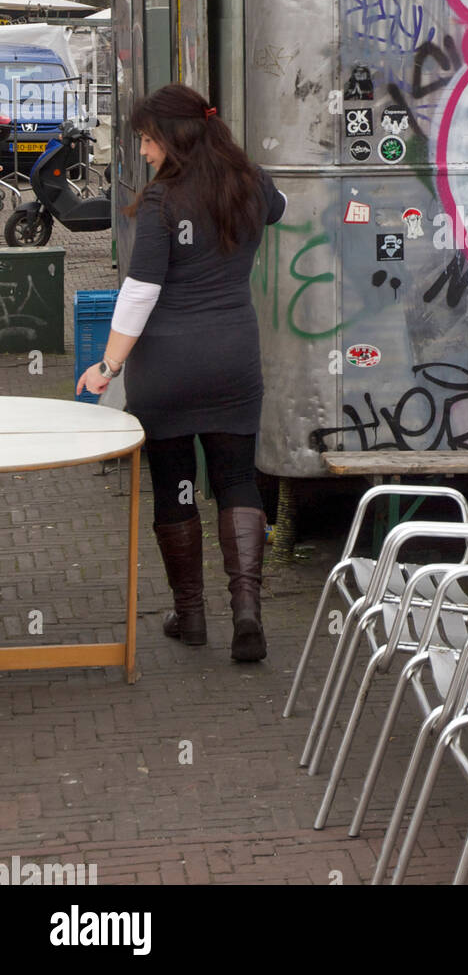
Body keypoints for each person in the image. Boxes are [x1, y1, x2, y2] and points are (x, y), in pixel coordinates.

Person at [77, 84, 286, 662]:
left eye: (147, 139)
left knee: (175, 484)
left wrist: (107, 365)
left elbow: (141, 291)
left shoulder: (162, 202)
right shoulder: (251, 182)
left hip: (167, 367)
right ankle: (247, 612)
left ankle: (191, 616)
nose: (143, 151)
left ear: (175, 137)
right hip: (233, 360)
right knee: (236, 479)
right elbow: (283, 206)